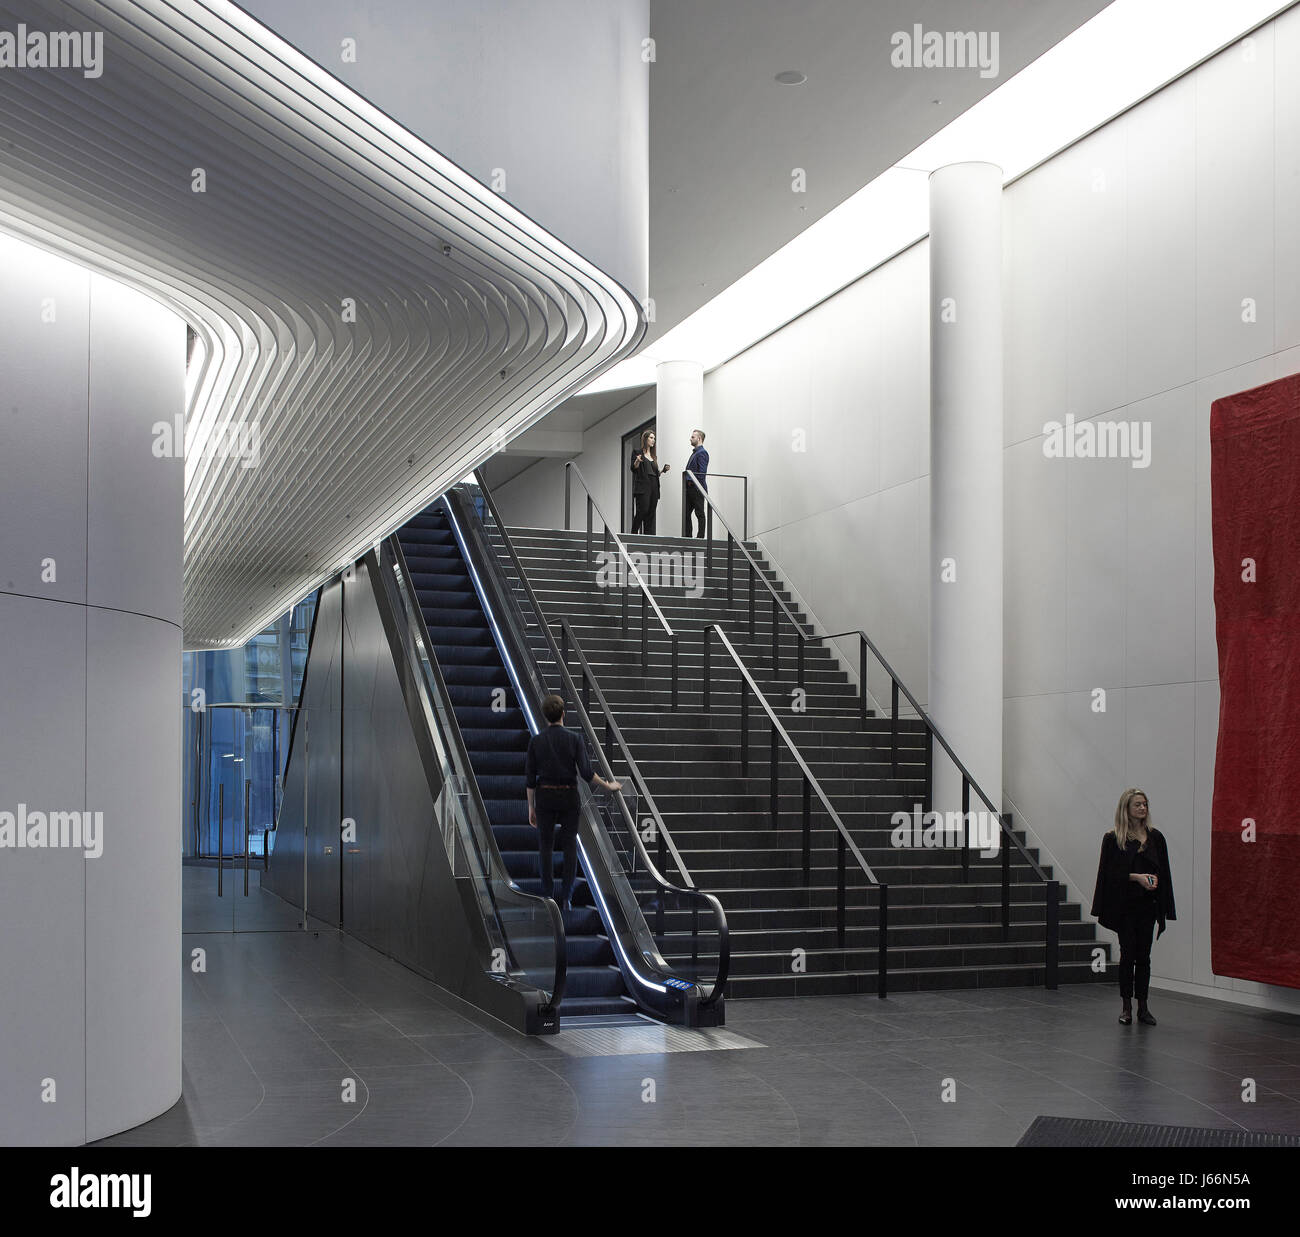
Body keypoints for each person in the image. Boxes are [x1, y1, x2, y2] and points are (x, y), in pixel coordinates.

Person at [525, 693, 622, 909]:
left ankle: (548, 896)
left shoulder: (536, 741)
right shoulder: (574, 739)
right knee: (569, 847)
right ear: (563, 714)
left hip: (545, 797)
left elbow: (530, 780)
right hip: (569, 796)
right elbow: (587, 773)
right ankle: (566, 896)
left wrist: (531, 807)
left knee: (546, 847)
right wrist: (608, 785)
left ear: (545, 716)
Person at [1090, 788, 1175, 1026]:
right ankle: (1126, 1006)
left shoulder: (1155, 837)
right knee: (1128, 954)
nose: (1142, 808)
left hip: (1148, 904)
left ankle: (1143, 1006)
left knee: (1144, 957)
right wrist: (1136, 877)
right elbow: (1108, 875)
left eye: (1145, 804)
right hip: (1126, 905)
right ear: (1126, 808)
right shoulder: (1114, 838)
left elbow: (1163, 871)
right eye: (1137, 804)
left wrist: (1156, 884)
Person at [630, 429, 669, 534]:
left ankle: (648, 538)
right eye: (651, 438)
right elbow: (634, 469)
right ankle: (633, 533)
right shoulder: (637, 452)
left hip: (654, 486)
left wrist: (663, 471)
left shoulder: (653, 456)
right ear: (645, 438)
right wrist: (637, 460)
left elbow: (655, 473)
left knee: (651, 513)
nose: (653, 440)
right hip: (643, 486)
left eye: (654, 438)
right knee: (643, 510)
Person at [682, 428, 709, 538]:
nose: (690, 439)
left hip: (696, 488)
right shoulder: (695, 453)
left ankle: (700, 537)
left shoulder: (702, 453)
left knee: (699, 513)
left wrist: (699, 488)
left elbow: (701, 473)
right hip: (689, 488)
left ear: (699, 438)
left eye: (692, 437)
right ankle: (688, 537)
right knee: (686, 514)